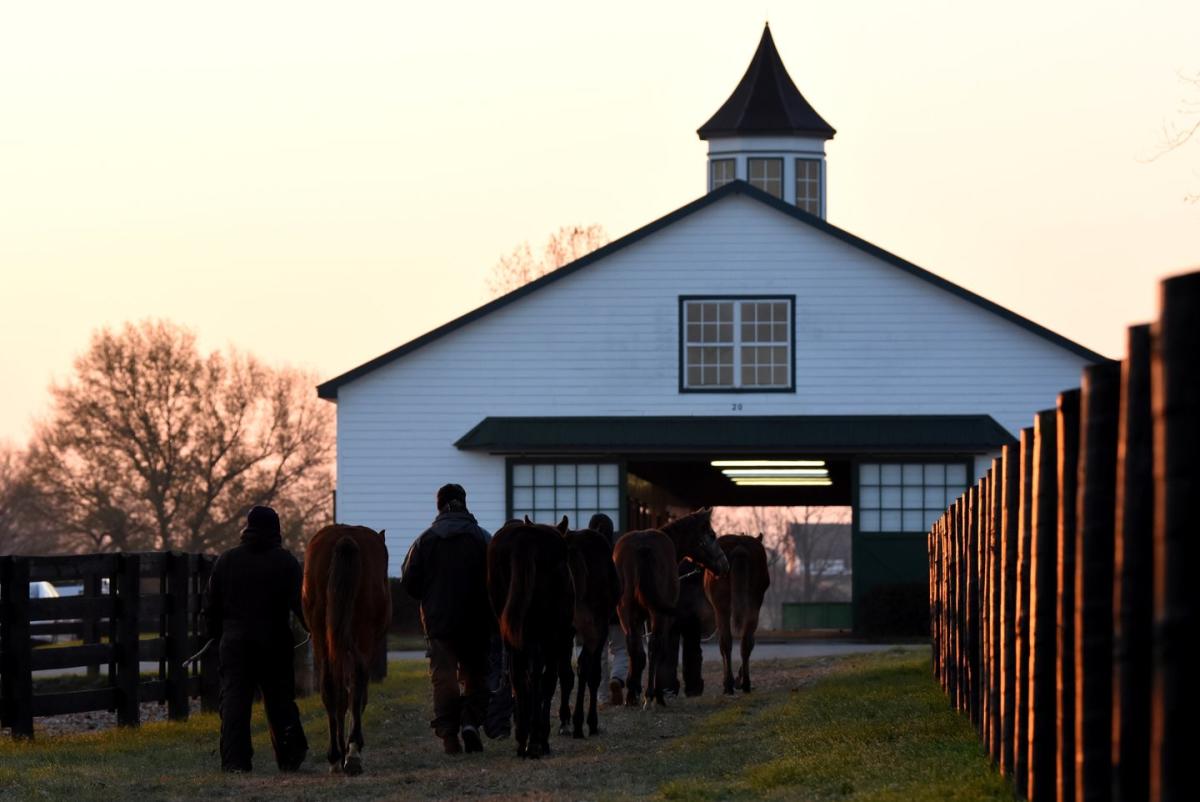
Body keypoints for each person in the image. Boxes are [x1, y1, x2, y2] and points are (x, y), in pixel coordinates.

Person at [201, 505, 308, 773]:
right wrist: (312, 628)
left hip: (235, 642)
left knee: (235, 700)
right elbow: (300, 604)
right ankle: (289, 755)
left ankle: (235, 761)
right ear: (276, 529)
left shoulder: (226, 560)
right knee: (280, 699)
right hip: (274, 641)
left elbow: (211, 604)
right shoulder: (286, 562)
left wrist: (214, 633)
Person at [401, 484, 493, 755]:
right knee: (476, 674)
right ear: (464, 503)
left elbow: (410, 581)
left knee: (443, 677)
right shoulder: (482, 538)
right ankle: (471, 722)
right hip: (477, 619)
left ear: (439, 505)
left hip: (439, 621)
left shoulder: (424, 540)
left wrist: (430, 598)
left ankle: (449, 735)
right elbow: (497, 579)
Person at [587, 513, 629, 706]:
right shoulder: (618, 553)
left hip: (595, 613)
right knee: (620, 649)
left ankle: (602, 696)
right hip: (616, 611)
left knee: (599, 654)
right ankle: (617, 678)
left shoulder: (587, 555)